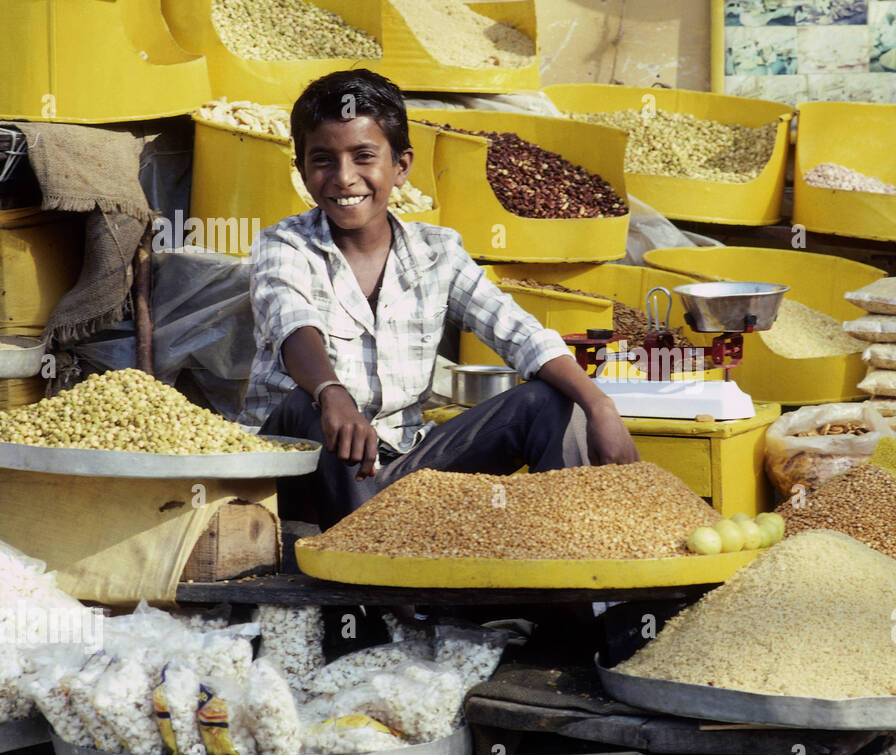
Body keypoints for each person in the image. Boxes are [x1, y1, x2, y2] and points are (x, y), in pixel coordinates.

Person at [238, 69, 639, 529]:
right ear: (303, 170)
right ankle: (375, 571)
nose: (344, 178)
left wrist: (599, 405)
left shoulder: (438, 252)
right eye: (323, 160)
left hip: (401, 467)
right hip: (300, 471)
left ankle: (568, 573)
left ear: (401, 166)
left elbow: (518, 331)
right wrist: (333, 395)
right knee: (308, 406)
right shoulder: (283, 244)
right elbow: (294, 325)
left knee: (550, 402)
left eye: (363, 156)